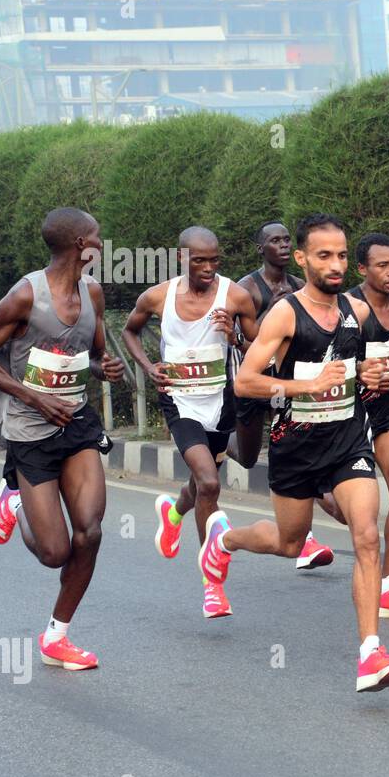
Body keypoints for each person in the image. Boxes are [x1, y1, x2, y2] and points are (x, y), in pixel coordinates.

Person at [195, 213, 389, 692]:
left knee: (366, 537)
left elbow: (354, 366)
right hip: (294, 444)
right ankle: (224, 541)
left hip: (347, 441)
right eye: (324, 256)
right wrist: (308, 385)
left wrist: (371, 377)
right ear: (302, 259)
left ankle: (370, 654)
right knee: (290, 543)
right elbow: (246, 381)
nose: (335, 265)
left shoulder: (355, 312)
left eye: (340, 255)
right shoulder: (286, 313)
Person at [0, 207, 125, 670]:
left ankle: (57, 636)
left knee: (90, 532)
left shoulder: (91, 293)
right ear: (81, 244)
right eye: (97, 235)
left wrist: (105, 368)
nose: (102, 242)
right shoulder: (24, 296)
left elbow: (92, 356)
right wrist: (35, 400)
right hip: (30, 431)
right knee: (55, 552)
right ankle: (13, 500)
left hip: (76, 424)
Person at [122, 226, 260, 620]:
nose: (208, 268)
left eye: (214, 260)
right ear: (180, 258)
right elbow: (130, 331)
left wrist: (234, 336)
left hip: (220, 401)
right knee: (211, 482)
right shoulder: (157, 296)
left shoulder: (235, 296)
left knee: (201, 483)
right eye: (199, 260)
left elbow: (261, 345)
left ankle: (173, 512)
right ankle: (212, 586)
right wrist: (149, 368)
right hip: (179, 402)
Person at [228, 220, 334, 570]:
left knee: (297, 447)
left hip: (289, 386)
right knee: (245, 456)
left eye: (287, 240)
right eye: (275, 241)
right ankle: (219, 442)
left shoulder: (300, 287)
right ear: (261, 248)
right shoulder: (248, 290)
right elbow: (238, 341)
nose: (284, 246)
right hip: (255, 382)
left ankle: (304, 536)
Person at [330, 232, 389, 621]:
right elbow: (323, 363)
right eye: (382, 265)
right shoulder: (346, 308)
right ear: (362, 269)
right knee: (351, 513)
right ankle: (316, 489)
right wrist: (357, 373)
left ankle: (388, 588)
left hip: (384, 407)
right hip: (343, 410)